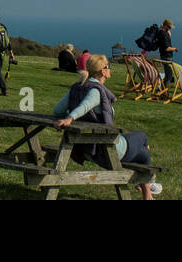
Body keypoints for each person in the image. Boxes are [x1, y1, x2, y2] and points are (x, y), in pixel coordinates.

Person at [53, 54, 158, 200]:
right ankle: (147, 184)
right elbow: (85, 106)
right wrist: (71, 118)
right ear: (103, 72)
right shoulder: (96, 91)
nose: (110, 69)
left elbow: (57, 110)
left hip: (85, 149)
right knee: (142, 136)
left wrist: (69, 116)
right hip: (106, 150)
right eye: (108, 66)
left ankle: (148, 192)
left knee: (143, 154)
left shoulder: (77, 87)